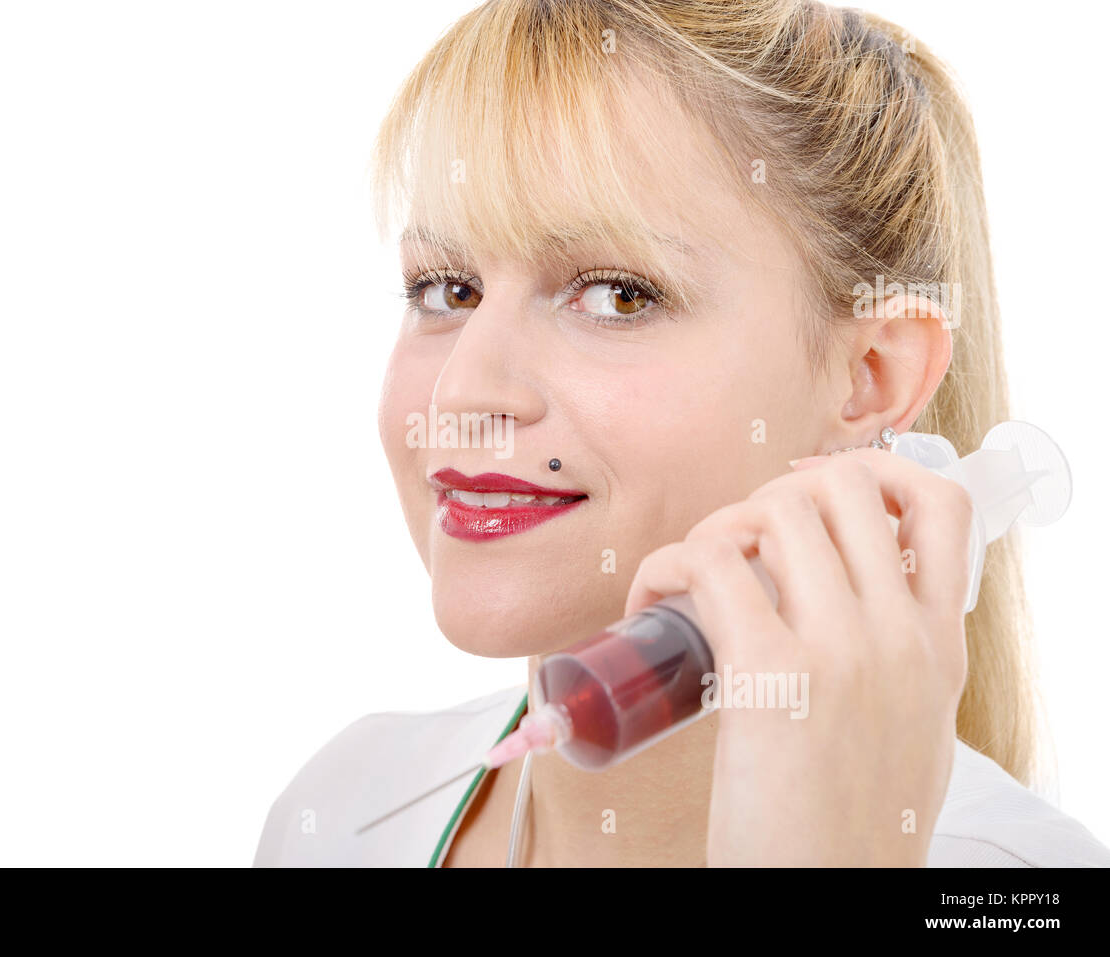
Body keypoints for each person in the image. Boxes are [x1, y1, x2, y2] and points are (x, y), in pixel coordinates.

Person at [253, 0, 1110, 867]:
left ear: (870, 376)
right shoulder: (342, 811)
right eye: (447, 289)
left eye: (617, 294)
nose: (461, 393)